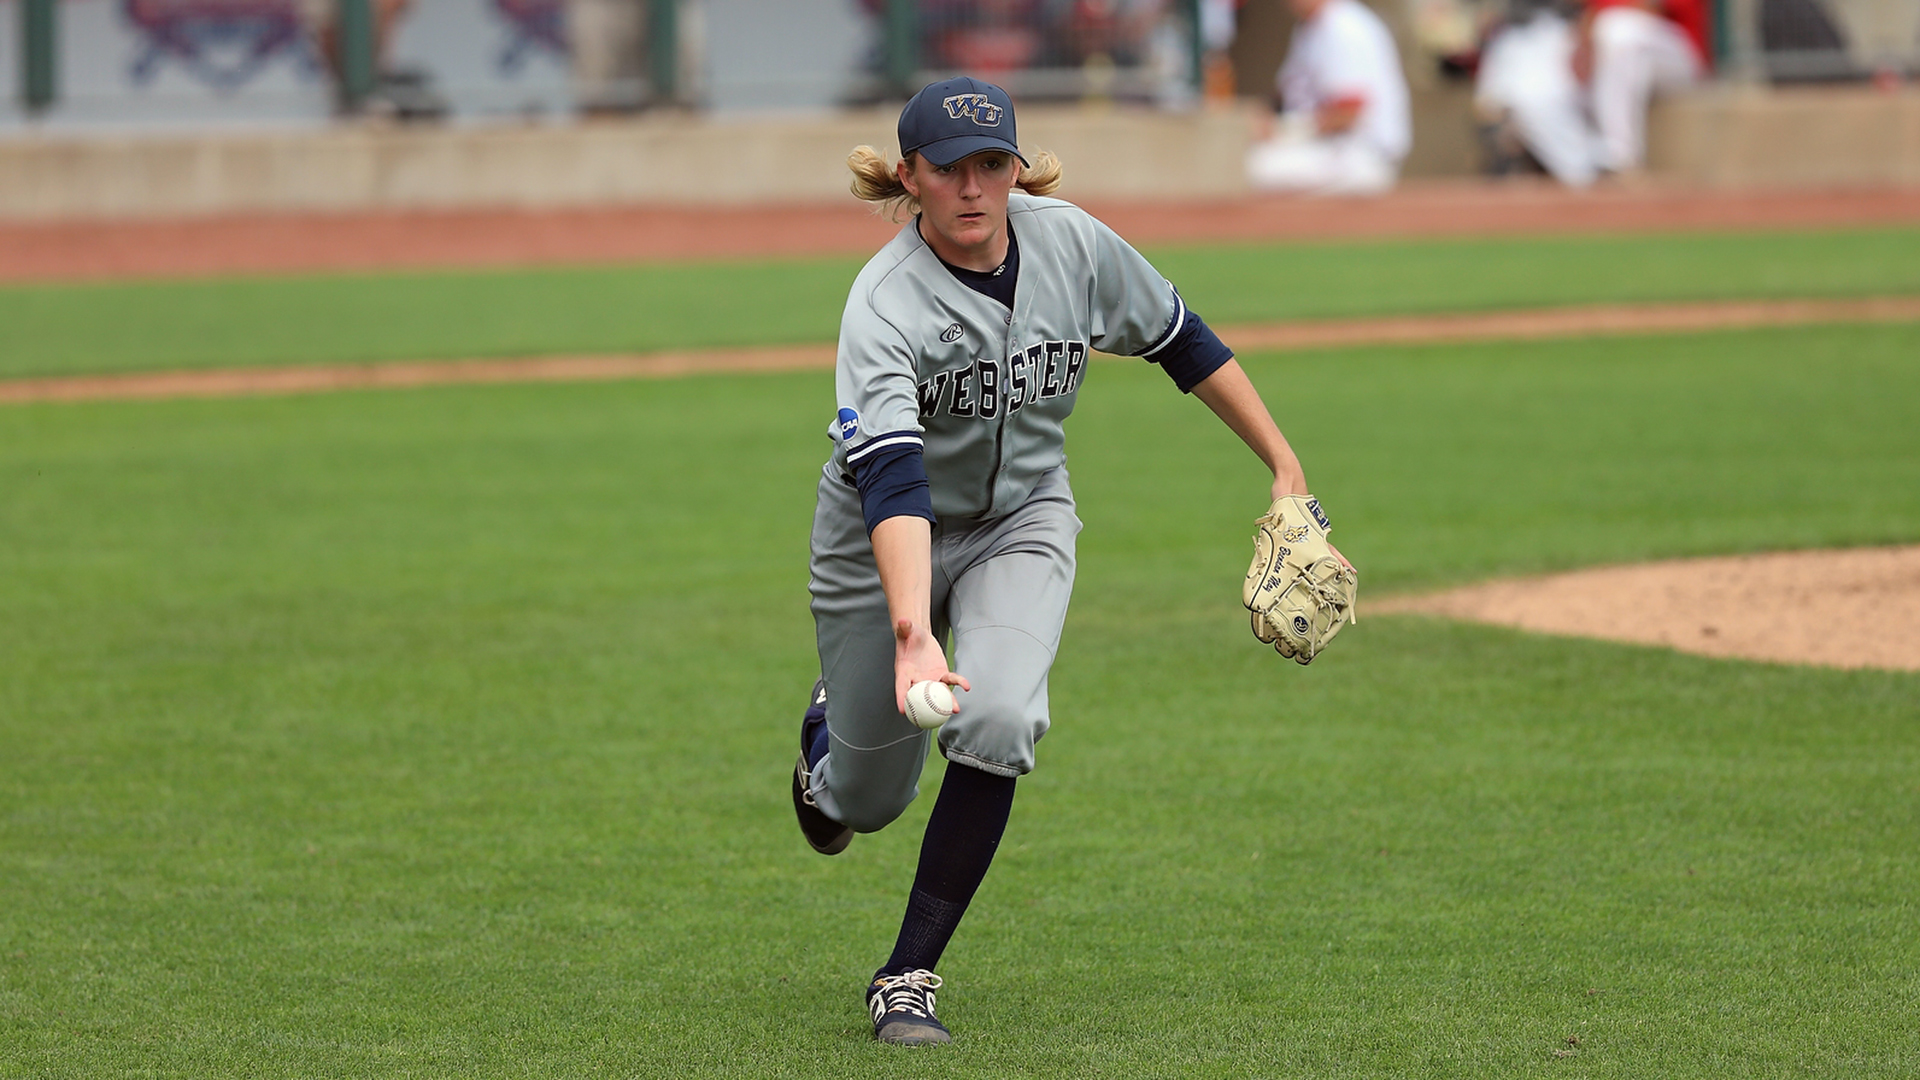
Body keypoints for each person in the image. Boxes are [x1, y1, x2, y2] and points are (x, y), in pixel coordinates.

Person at [794, 75, 1332, 1045]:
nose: (972, 187)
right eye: (948, 169)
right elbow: (895, 483)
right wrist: (912, 633)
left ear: (1015, 168)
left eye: (990, 163)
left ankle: (906, 976)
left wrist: (1285, 465)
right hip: (879, 531)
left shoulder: (1072, 243)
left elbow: (1182, 341)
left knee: (999, 719)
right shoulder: (883, 303)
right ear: (908, 177)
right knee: (866, 804)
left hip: (1023, 518)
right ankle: (828, 743)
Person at [1246, 0, 1411, 195]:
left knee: (1248, 168)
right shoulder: (1311, 26)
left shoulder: (1343, 27)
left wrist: (1283, 129)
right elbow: (1291, 94)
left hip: (1361, 155)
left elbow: (1348, 113)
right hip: (1331, 149)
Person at [1574, 0, 1708, 175]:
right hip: (1632, 51)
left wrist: (1594, 26)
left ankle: (1620, 156)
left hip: (1683, 53)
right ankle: (1583, 168)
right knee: (1547, 80)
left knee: (1619, 31)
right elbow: (1588, 14)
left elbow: (1651, 8)